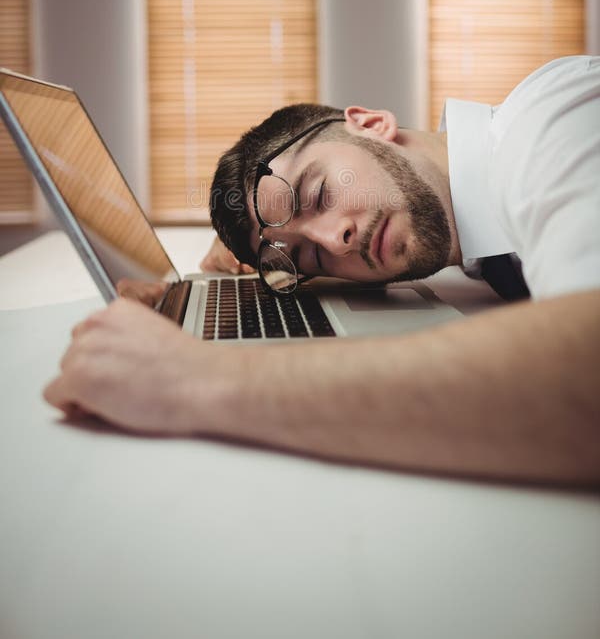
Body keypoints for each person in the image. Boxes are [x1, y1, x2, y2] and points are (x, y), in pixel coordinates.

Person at [44, 56, 600, 486]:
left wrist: (192, 377)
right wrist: (271, 252)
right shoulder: (475, 235)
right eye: (311, 258)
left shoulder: (550, 124)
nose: (338, 240)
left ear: (369, 123)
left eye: (318, 193)